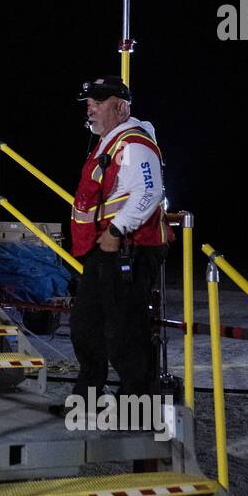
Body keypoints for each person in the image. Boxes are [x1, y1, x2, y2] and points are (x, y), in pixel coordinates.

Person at [62, 75, 172, 424]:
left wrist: (115, 230)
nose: (89, 109)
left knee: (127, 332)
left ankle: (137, 411)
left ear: (121, 107)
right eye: (88, 104)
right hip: (105, 251)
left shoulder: (134, 143)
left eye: (97, 102)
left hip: (127, 249)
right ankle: (89, 399)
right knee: (85, 326)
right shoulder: (110, 142)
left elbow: (148, 192)